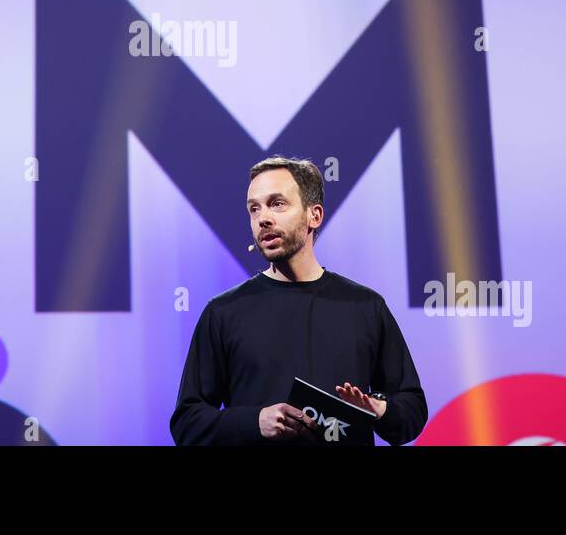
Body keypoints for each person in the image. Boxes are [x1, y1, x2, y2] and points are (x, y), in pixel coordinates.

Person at [170, 156, 427, 446]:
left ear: (314, 216)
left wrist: (379, 410)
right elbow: (187, 423)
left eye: (277, 204)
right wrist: (254, 422)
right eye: (254, 208)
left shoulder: (365, 306)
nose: (263, 218)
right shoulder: (223, 312)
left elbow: (412, 411)